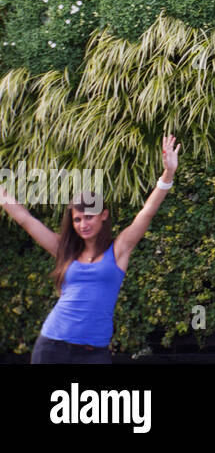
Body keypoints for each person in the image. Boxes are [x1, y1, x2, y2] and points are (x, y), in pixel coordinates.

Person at [0, 135, 180, 363]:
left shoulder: (119, 250)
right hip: (52, 346)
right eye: (77, 220)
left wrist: (168, 174)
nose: (83, 225)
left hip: (93, 352)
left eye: (88, 218)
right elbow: (25, 219)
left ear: (103, 216)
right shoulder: (64, 250)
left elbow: (147, 212)